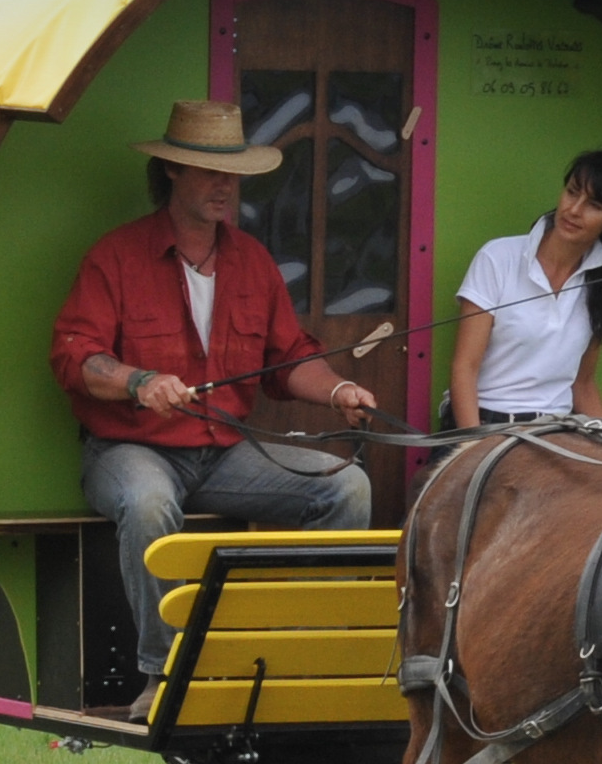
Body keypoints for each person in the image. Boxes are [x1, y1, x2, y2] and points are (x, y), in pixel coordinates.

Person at [51, 99, 378, 715]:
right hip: (128, 450)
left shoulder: (252, 261)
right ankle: (167, 673)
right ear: (172, 172)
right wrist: (139, 381)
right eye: (209, 172)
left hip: (226, 454)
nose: (225, 187)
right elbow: (75, 357)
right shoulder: (115, 256)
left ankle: (292, 658)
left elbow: (289, 360)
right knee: (148, 502)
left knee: (348, 486)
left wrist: (338, 391)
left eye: (232, 175)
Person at [445, 150, 602, 428]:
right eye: (572, 192)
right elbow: (464, 369)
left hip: (555, 433)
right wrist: (475, 448)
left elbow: (583, 383)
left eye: (594, 205)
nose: (574, 210)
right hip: (483, 421)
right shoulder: (498, 257)